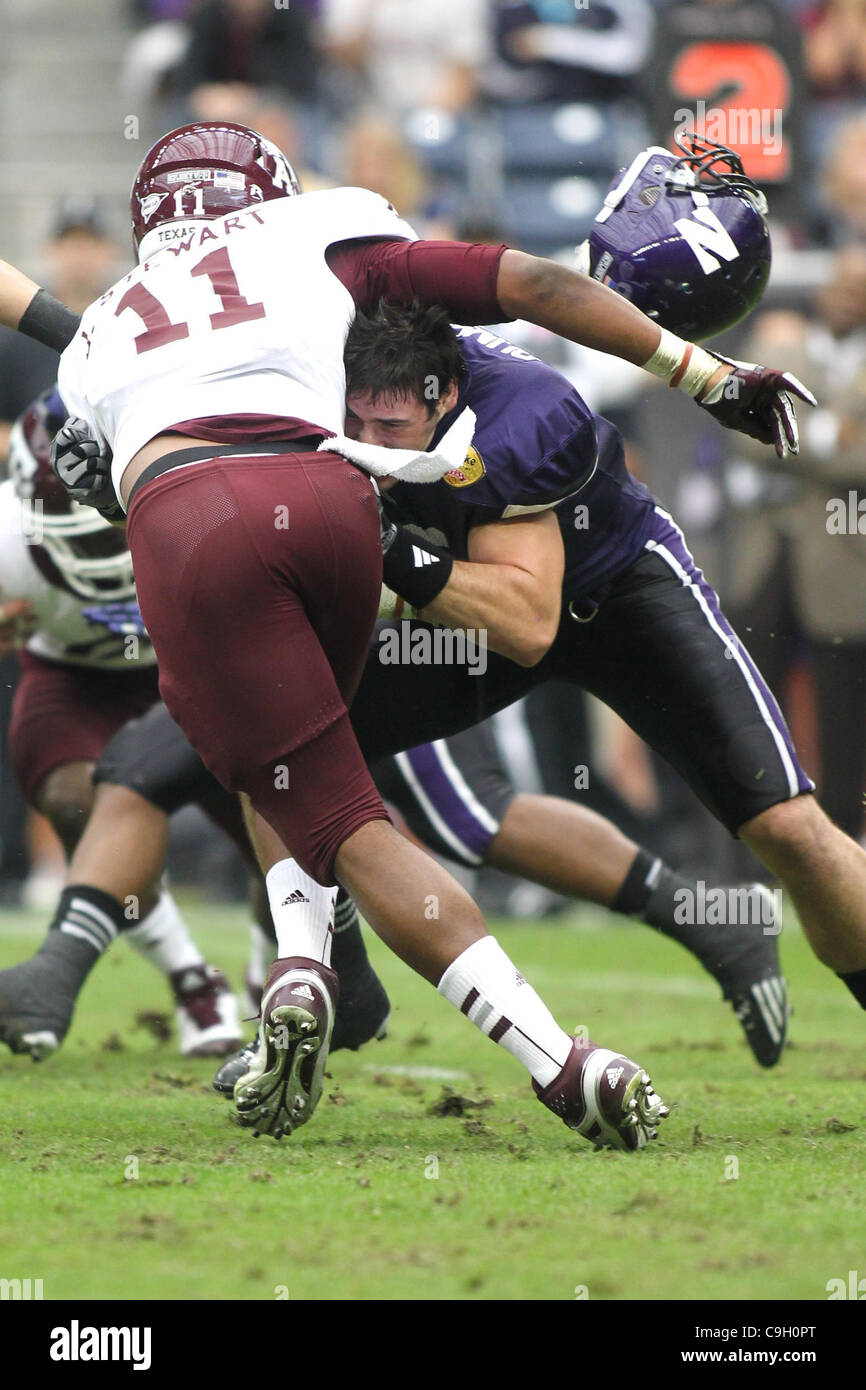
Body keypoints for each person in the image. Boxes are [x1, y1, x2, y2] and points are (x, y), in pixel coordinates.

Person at [47, 122, 807, 1150]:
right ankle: (316, 973)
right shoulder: (319, 245)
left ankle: (530, 1021)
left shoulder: (118, 322)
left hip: (457, 570)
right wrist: (704, 376)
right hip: (338, 526)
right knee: (242, 761)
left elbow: (523, 608)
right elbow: (529, 283)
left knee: (416, 801)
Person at [0, 390, 242, 1057]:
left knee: (271, 810)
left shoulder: (208, 502)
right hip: (74, 681)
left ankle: (275, 967)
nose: (106, 535)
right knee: (77, 799)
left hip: (193, 675)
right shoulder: (8, 541)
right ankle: (194, 977)